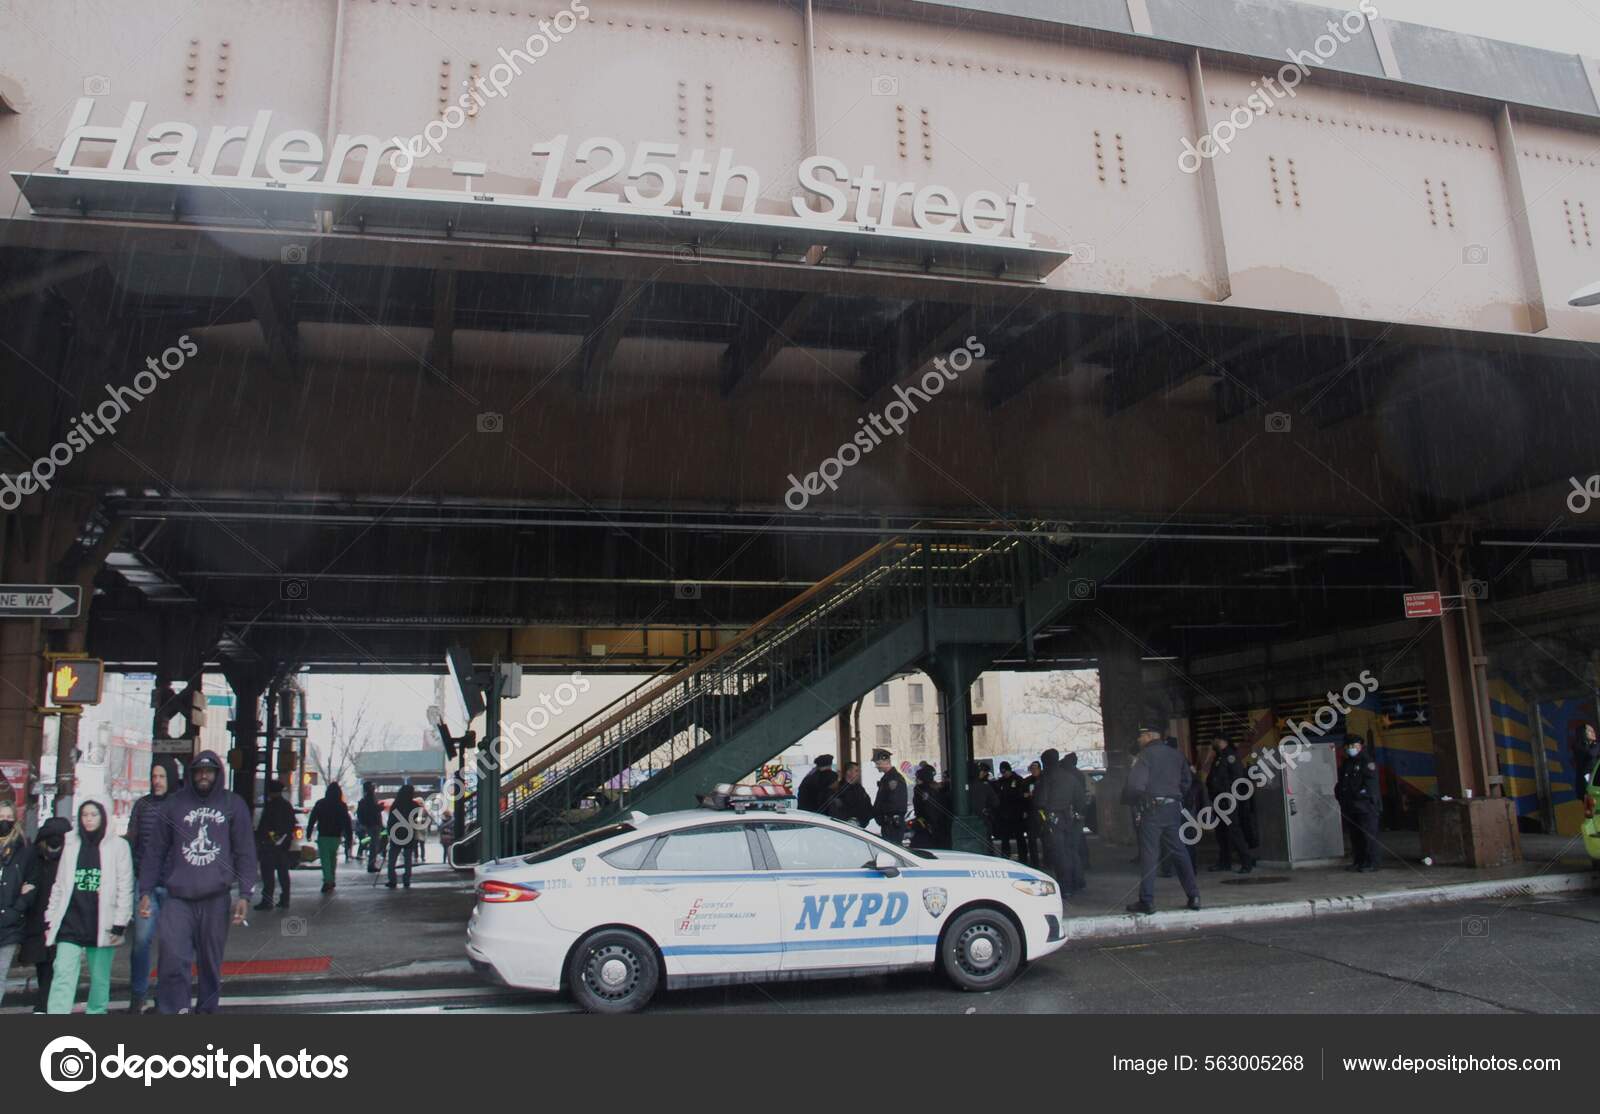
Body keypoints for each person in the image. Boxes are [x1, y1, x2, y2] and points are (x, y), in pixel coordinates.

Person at [139, 749, 258, 1014]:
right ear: (192, 775)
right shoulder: (174, 804)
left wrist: (245, 894)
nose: (204, 776)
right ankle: (173, 1011)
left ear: (218, 774)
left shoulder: (233, 804)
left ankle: (206, 1012)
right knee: (172, 958)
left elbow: (245, 852)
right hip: (178, 898)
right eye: (199, 771)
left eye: (209, 771)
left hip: (216, 897)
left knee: (210, 963)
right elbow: (155, 850)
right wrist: (145, 890)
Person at [45, 799, 134, 1015]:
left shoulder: (118, 846)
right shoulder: (71, 843)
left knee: (100, 978)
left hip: (101, 920)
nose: (89, 819)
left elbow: (125, 885)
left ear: (103, 817)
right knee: (62, 973)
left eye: (94, 814)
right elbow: (60, 883)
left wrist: (120, 922)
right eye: (85, 815)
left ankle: (96, 1013)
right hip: (71, 919)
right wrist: (50, 916)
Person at [1124, 727, 1200, 915]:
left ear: (1149, 736)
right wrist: (1176, 795)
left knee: (1150, 855)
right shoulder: (1176, 755)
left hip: (1152, 809)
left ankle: (1147, 901)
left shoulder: (1145, 755)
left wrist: (1134, 801)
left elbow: (1135, 785)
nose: (1139, 739)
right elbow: (1186, 780)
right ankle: (1194, 896)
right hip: (1173, 808)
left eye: (1141, 735)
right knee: (1180, 852)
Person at [125, 756, 178, 1012]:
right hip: (145, 883)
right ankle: (138, 994)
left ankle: (165, 995)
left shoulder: (180, 806)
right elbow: (133, 840)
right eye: (154, 777)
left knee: (170, 943)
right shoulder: (142, 806)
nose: (157, 781)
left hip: (172, 885)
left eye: (162, 777)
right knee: (141, 941)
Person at [19, 817, 68, 1013]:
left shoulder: (69, 856)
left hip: (61, 916)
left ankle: (45, 1005)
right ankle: (45, 1004)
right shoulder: (33, 856)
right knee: (43, 962)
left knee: (56, 963)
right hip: (37, 916)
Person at [1031, 749, 1085, 894]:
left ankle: (1065, 887)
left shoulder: (1046, 778)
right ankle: (1078, 881)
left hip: (1053, 819)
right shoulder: (1070, 777)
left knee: (1058, 853)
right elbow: (1080, 800)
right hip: (1070, 818)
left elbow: (1039, 801)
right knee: (1071, 851)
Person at [0, 801, 34, 1008]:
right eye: (0, 816)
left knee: (1, 972)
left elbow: (31, 885)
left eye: (8, 817)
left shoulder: (24, 850)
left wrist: (17, 910)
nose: (4, 821)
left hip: (10, 921)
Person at [1204, 736, 1255, 874]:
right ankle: (1224, 862)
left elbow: (1237, 778)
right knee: (1221, 833)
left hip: (1228, 799)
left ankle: (1246, 862)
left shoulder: (1231, 755)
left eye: (1213, 740)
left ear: (1221, 741)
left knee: (1234, 831)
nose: (1211, 743)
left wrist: (1229, 796)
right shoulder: (1219, 756)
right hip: (1218, 799)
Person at [1335, 734, 1382, 872]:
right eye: (1348, 746)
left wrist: (1359, 798)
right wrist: (1341, 797)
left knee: (1368, 835)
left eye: (1354, 746)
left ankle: (1372, 863)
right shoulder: (1347, 763)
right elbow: (1342, 783)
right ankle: (1359, 861)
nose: (1351, 749)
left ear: (1360, 746)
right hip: (1350, 806)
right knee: (1355, 836)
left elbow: (1370, 787)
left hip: (1365, 806)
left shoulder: (1367, 763)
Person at [254, 780, 296, 911]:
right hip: (283, 846)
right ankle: (285, 899)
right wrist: (282, 840)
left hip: (269, 845)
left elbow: (266, 826)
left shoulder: (271, 806)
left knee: (268, 874)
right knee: (283, 873)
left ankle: (267, 901)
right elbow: (290, 826)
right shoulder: (287, 806)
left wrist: (267, 839)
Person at [305, 783, 353, 893]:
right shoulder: (341, 805)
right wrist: (349, 836)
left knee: (325, 859)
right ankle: (331, 878)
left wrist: (308, 832)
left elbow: (312, 819)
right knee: (332, 858)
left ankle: (328, 880)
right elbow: (347, 822)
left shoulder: (320, 803)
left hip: (323, 835)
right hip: (336, 836)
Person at [992, 762, 1030, 864]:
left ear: (1009, 770)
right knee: (1005, 838)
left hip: (1017, 814)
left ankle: (1023, 859)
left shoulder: (1018, 780)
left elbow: (1024, 797)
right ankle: (1005, 858)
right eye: (1002, 772)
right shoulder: (1000, 782)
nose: (1004, 774)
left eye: (1005, 771)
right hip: (1005, 815)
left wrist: (1024, 810)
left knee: (1019, 837)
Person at [387, 784, 421, 889]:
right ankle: (406, 879)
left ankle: (392, 879)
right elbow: (415, 819)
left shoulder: (396, 804)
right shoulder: (414, 805)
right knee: (408, 858)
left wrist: (389, 831)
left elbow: (391, 819)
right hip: (409, 833)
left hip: (396, 833)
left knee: (392, 858)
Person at [871, 750, 907, 846]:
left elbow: (895, 803)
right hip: (888, 823)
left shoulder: (893, 778)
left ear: (886, 761)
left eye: (878, 763)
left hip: (892, 824)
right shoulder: (888, 778)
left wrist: (880, 813)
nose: (877, 766)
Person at [822, 762, 872, 827]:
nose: (858, 774)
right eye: (856, 771)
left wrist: (865, 819)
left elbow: (867, 804)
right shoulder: (838, 788)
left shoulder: (859, 787)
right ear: (848, 772)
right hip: (845, 827)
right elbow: (835, 810)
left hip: (861, 826)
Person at [909, 765, 940, 849]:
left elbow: (929, 809)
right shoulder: (931, 789)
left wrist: (928, 823)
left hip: (925, 825)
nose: (916, 780)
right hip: (926, 824)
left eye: (918, 778)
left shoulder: (924, 790)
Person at [356, 783, 383, 873]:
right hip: (374, 824)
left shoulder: (364, 799)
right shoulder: (371, 798)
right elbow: (373, 810)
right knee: (374, 845)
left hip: (369, 824)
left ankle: (372, 864)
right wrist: (380, 807)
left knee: (373, 844)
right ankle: (371, 865)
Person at [970, 763, 996, 851]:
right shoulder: (985, 786)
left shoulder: (964, 785)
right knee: (986, 846)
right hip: (982, 820)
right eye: (983, 771)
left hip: (973, 820)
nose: (984, 774)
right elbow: (995, 802)